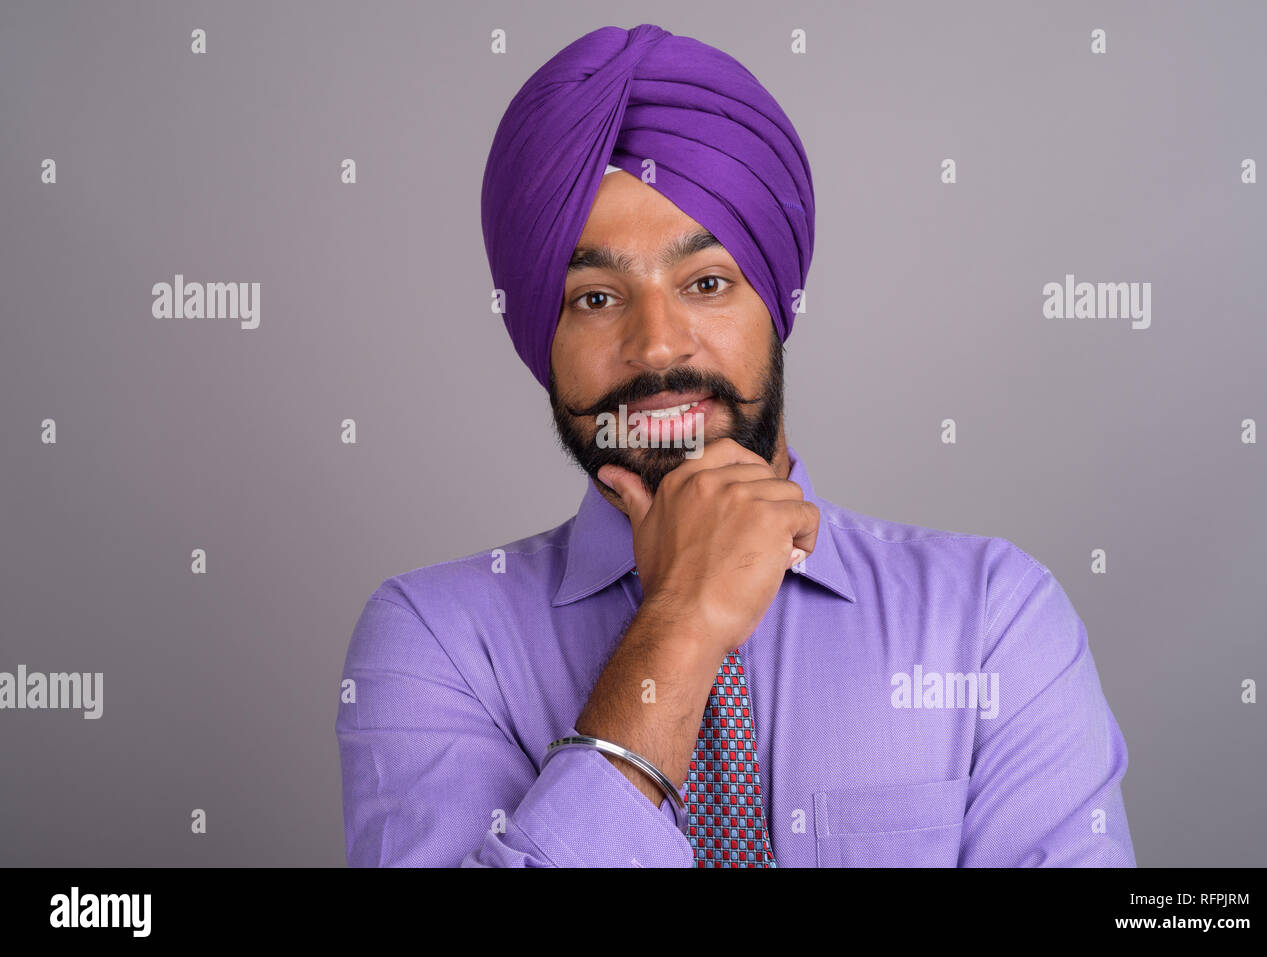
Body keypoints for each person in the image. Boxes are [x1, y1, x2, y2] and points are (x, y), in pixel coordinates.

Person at [335, 23, 1135, 867]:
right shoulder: (435, 641)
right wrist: (679, 627)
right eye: (596, 298)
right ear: (543, 334)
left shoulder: (990, 620)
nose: (657, 345)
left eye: (707, 283)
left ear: (776, 307)